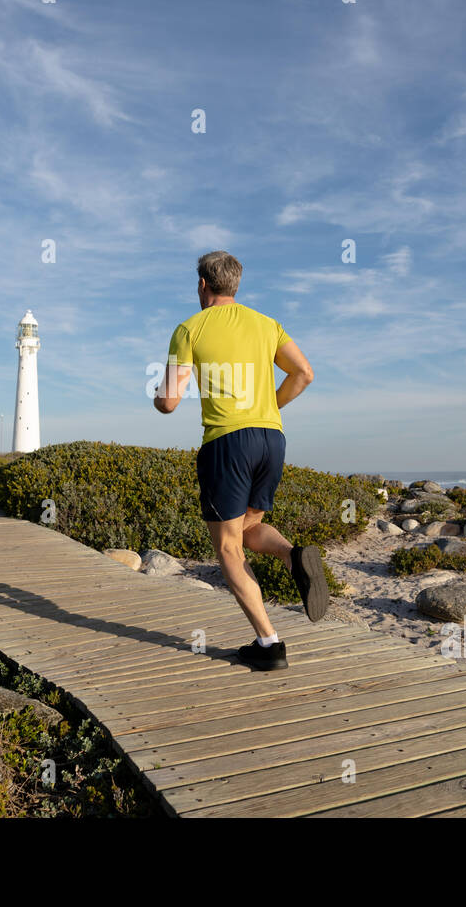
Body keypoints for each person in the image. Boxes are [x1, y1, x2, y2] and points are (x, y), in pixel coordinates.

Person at [153, 250, 326, 670]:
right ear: (235, 284)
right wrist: (269, 406)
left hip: (227, 444)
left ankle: (269, 645)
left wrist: (159, 397)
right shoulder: (268, 324)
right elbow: (304, 373)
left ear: (201, 286)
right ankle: (291, 554)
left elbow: (170, 402)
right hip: (272, 439)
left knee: (228, 548)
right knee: (248, 528)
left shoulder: (189, 329)